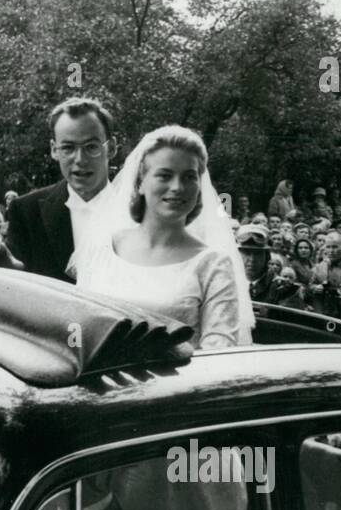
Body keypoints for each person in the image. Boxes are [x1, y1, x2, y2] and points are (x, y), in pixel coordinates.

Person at [72, 125, 248, 349]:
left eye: (189, 177)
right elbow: (77, 329)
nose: (177, 187)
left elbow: (219, 350)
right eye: (164, 175)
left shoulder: (212, 264)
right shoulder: (102, 250)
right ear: (141, 183)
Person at [6, 97, 116, 284]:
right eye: (68, 148)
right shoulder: (26, 212)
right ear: (54, 150)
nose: (80, 159)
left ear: (111, 148)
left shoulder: (141, 211)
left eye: (91, 147)